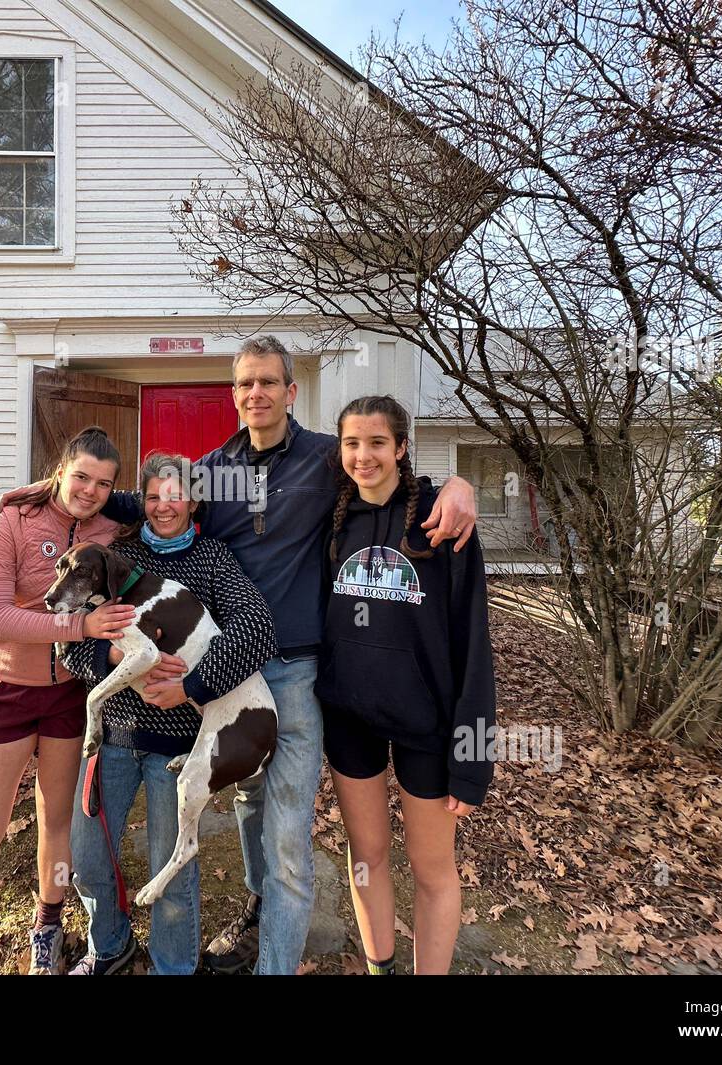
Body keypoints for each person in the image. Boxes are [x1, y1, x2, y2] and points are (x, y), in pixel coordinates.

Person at [101, 335, 480, 974]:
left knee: (287, 841)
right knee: (251, 806)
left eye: (269, 382)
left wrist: (460, 484)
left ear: (290, 390)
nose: (257, 393)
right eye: (246, 383)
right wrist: (60, 492)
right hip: (228, 674)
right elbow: (153, 503)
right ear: (234, 393)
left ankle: (276, 957)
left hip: (298, 671)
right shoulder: (213, 470)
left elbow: (386, 474)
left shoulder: (326, 459)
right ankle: (259, 912)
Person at [0, 426, 136, 975]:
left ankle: (48, 925)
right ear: (60, 469)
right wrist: (80, 624)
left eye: (103, 484)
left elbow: (161, 510)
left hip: (71, 696)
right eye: (80, 476)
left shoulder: (112, 530)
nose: (89, 490)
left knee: (56, 822)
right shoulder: (9, 520)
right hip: (6, 692)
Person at [57, 452, 278, 974]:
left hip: (177, 742)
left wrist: (190, 686)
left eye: (174, 495)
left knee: (172, 876)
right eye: (153, 496)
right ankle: (109, 948)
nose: (163, 506)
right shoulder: (114, 558)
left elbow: (257, 628)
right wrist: (109, 654)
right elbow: (67, 647)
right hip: (113, 738)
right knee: (87, 863)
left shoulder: (213, 560)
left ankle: (173, 966)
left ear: (193, 501)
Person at [316, 395, 496, 975]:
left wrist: (475, 757)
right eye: (351, 443)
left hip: (428, 725)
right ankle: (379, 966)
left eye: (376, 443)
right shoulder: (333, 519)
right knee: (366, 856)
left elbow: (474, 646)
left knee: (431, 869)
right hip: (350, 719)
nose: (363, 456)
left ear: (400, 449)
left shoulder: (442, 525)